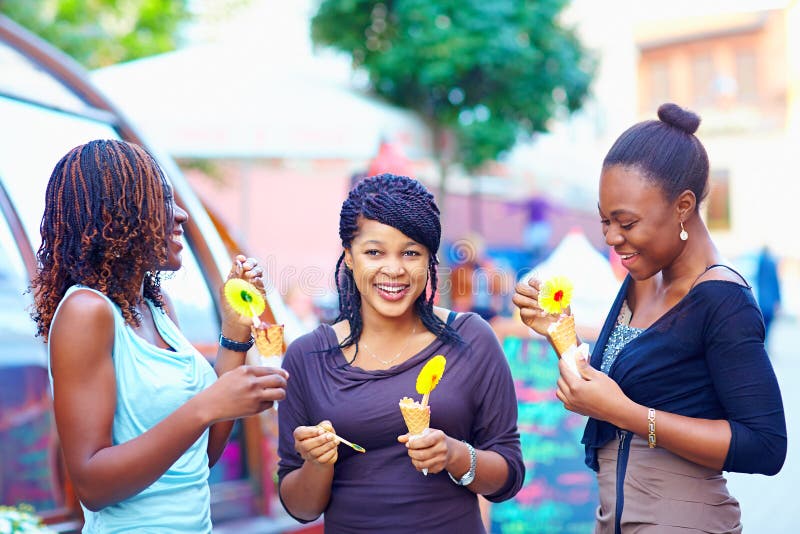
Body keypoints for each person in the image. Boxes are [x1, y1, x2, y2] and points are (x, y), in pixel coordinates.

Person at [513, 104, 786, 533]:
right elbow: (611, 388)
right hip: (612, 519)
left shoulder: (722, 300)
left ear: (683, 206)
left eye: (626, 222)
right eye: (605, 221)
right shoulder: (644, 276)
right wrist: (558, 333)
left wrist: (629, 415)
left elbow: (766, 446)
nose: (611, 238)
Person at [31, 139, 288, 532]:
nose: (181, 214)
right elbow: (92, 486)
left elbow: (199, 458)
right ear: (116, 215)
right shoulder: (86, 312)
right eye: (161, 200)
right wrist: (207, 405)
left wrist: (234, 336)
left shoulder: (159, 308)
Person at [277, 174, 524, 533]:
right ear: (348, 256)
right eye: (374, 252)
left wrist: (455, 456)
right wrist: (318, 464)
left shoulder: (471, 339)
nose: (393, 270)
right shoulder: (308, 357)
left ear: (429, 260)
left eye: (410, 253)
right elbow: (301, 508)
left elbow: (509, 476)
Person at [755, 245, 782, 340]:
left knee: (763, 325)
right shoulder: (772, 263)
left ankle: (763, 343)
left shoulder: (760, 263)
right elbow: (776, 284)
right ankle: (765, 344)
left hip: (762, 301)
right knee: (767, 325)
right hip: (769, 303)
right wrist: (779, 301)